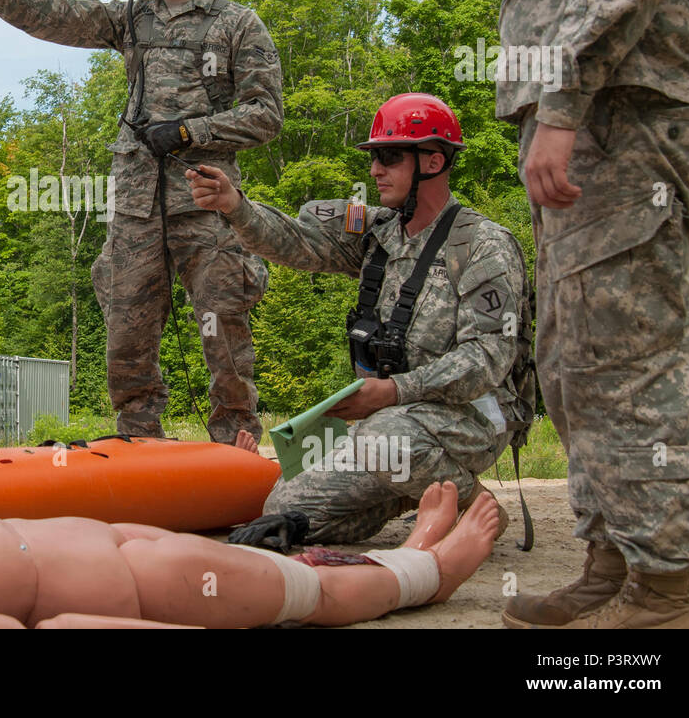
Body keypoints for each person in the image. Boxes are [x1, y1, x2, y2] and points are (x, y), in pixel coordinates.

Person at [0, 0, 282, 443]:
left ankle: (234, 441)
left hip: (205, 201)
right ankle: (138, 440)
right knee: (126, 329)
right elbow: (62, 13)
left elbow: (266, 115)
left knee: (223, 325)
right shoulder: (132, 19)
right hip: (136, 205)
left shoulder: (237, 25)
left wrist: (192, 132)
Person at [494, 0, 689, 629]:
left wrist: (563, 97)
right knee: (576, 348)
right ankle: (612, 555)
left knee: (627, 351)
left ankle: (659, 589)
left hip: (625, 99)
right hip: (602, 102)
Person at [190, 94, 531, 548]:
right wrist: (237, 206)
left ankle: (474, 508)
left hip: (474, 413)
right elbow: (298, 243)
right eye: (374, 158)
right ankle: (412, 489)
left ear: (432, 161)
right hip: (394, 420)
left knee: (384, 437)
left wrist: (392, 391)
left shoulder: (483, 246)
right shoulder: (380, 234)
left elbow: (488, 357)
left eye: (389, 158)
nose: (375, 171)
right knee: (286, 511)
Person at [0, 479, 502, 629]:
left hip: (108, 544)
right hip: (137, 587)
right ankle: (434, 573)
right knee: (298, 594)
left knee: (291, 569)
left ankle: (406, 559)